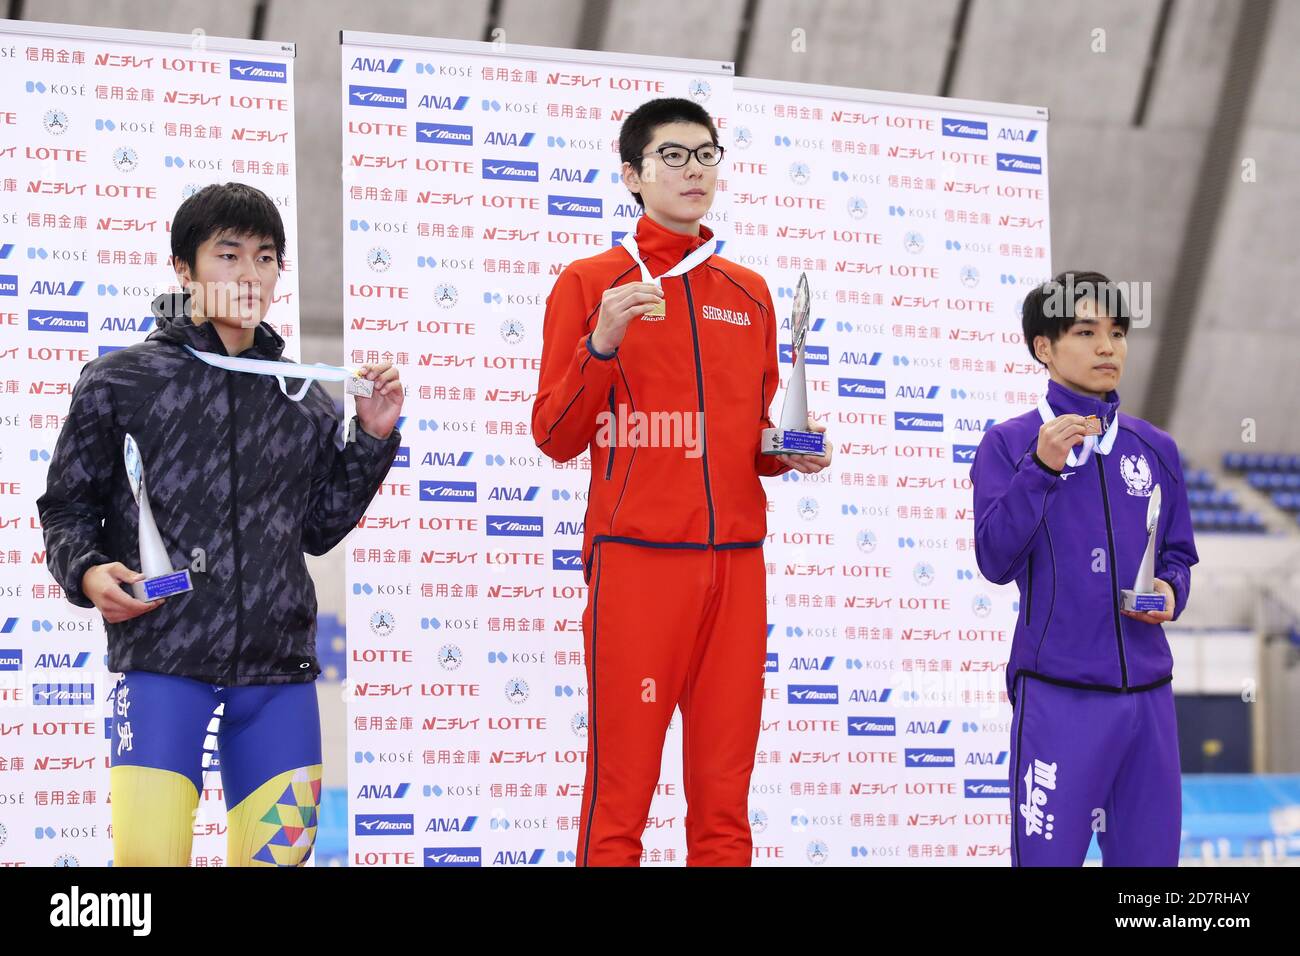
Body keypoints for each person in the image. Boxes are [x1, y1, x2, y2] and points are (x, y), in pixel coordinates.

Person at [37, 182, 403, 866]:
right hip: (161, 659)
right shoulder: (121, 381)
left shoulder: (300, 393)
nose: (249, 275)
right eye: (227, 255)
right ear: (185, 268)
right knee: (148, 868)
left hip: (278, 676)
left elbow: (319, 528)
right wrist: (86, 570)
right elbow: (66, 506)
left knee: (280, 860)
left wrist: (373, 439)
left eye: (265, 259)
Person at [532, 97, 832, 866]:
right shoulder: (592, 282)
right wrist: (601, 343)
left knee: (725, 797)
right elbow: (556, 436)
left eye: (706, 154)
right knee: (620, 794)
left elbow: (749, 439)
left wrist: (786, 449)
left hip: (736, 563)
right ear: (632, 174)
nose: (694, 170)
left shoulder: (749, 291)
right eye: (673, 155)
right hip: (637, 560)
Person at [970, 271, 1198, 866]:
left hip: (1148, 699)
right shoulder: (1010, 444)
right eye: (1086, 331)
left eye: (1118, 333)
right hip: (1058, 698)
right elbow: (994, 560)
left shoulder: (1156, 449)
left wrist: (1173, 591)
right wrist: (1041, 470)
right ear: (1043, 348)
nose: (1108, 347)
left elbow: (1178, 555)